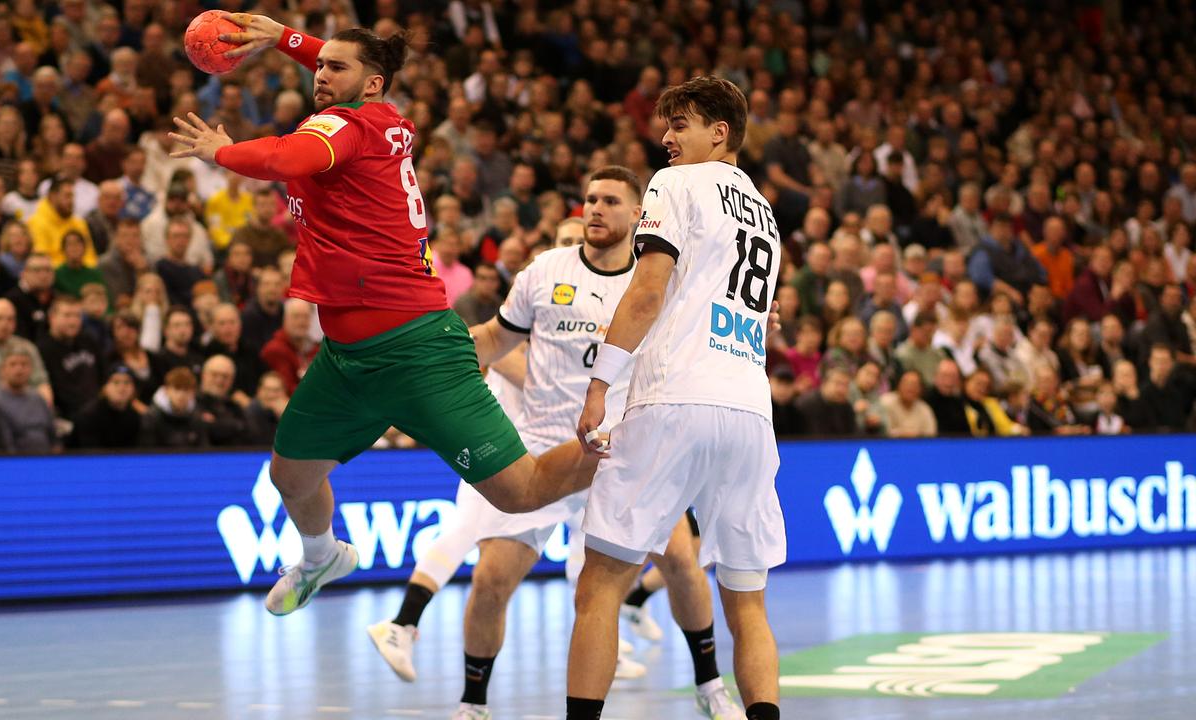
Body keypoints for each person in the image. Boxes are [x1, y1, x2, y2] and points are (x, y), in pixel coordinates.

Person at [181, 15, 607, 617]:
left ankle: (632, 447)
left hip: (418, 352)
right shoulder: (380, 118)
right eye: (319, 65)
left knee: (521, 492)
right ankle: (321, 557)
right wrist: (283, 39)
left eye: (335, 68)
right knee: (291, 476)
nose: (320, 75)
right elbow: (349, 71)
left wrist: (221, 151)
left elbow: (285, 157)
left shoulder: (347, 126)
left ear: (372, 83)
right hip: (347, 358)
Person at [368, 168, 740, 718]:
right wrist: (427, 361)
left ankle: (710, 687)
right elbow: (496, 339)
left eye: (610, 200)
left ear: (639, 215)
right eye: (590, 199)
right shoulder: (544, 272)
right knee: (491, 579)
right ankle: (473, 704)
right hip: (542, 453)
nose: (595, 208)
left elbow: (713, 328)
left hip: (621, 451)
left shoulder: (660, 281)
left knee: (682, 561)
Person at [571, 77, 783, 720]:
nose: (665, 137)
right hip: (750, 409)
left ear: (719, 133)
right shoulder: (767, 214)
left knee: (602, 580)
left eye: (680, 124)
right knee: (747, 601)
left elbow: (647, 292)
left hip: (675, 398)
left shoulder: (676, 184)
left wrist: (600, 384)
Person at [36, 294, 103, 420]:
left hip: (99, 411)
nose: (73, 321)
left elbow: (104, 375)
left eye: (77, 316)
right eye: (67, 315)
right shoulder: (42, 349)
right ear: (52, 318)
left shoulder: (88, 341)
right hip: (68, 417)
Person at [0, 347, 56, 453]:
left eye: (24, 364)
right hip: (16, 460)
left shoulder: (38, 398)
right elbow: (5, 445)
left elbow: (53, 436)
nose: (19, 369)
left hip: (48, 458)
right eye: (13, 364)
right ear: (2, 370)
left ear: (31, 369)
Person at [258, 298, 319, 395]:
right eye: (296, 316)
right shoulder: (275, 350)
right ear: (284, 319)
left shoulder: (315, 349)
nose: (301, 322)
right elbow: (288, 390)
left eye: (306, 316)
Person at [72, 365, 142, 448]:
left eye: (127, 383)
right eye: (116, 382)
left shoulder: (134, 416)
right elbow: (89, 452)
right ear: (104, 387)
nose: (122, 388)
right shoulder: (89, 416)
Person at [139, 366, 209, 448]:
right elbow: (148, 451)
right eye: (177, 388)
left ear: (193, 392)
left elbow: (204, 449)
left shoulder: (197, 416)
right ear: (166, 390)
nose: (181, 395)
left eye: (186, 389)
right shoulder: (152, 417)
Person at [197, 354, 249, 446]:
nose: (219, 380)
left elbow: (248, 431)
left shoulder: (235, 406)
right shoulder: (192, 402)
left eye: (225, 376)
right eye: (214, 374)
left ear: (232, 380)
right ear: (203, 375)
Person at [880, 370, 938, 437]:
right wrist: (901, 434)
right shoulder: (885, 402)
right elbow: (882, 431)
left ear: (920, 389)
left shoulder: (925, 409)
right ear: (898, 385)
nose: (910, 388)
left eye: (914, 384)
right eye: (907, 383)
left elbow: (931, 435)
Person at [244, 370, 288, 445]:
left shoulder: (288, 413)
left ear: (284, 392)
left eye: (276, 390)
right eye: (267, 390)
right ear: (259, 391)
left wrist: (285, 417)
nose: (271, 395)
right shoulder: (250, 413)